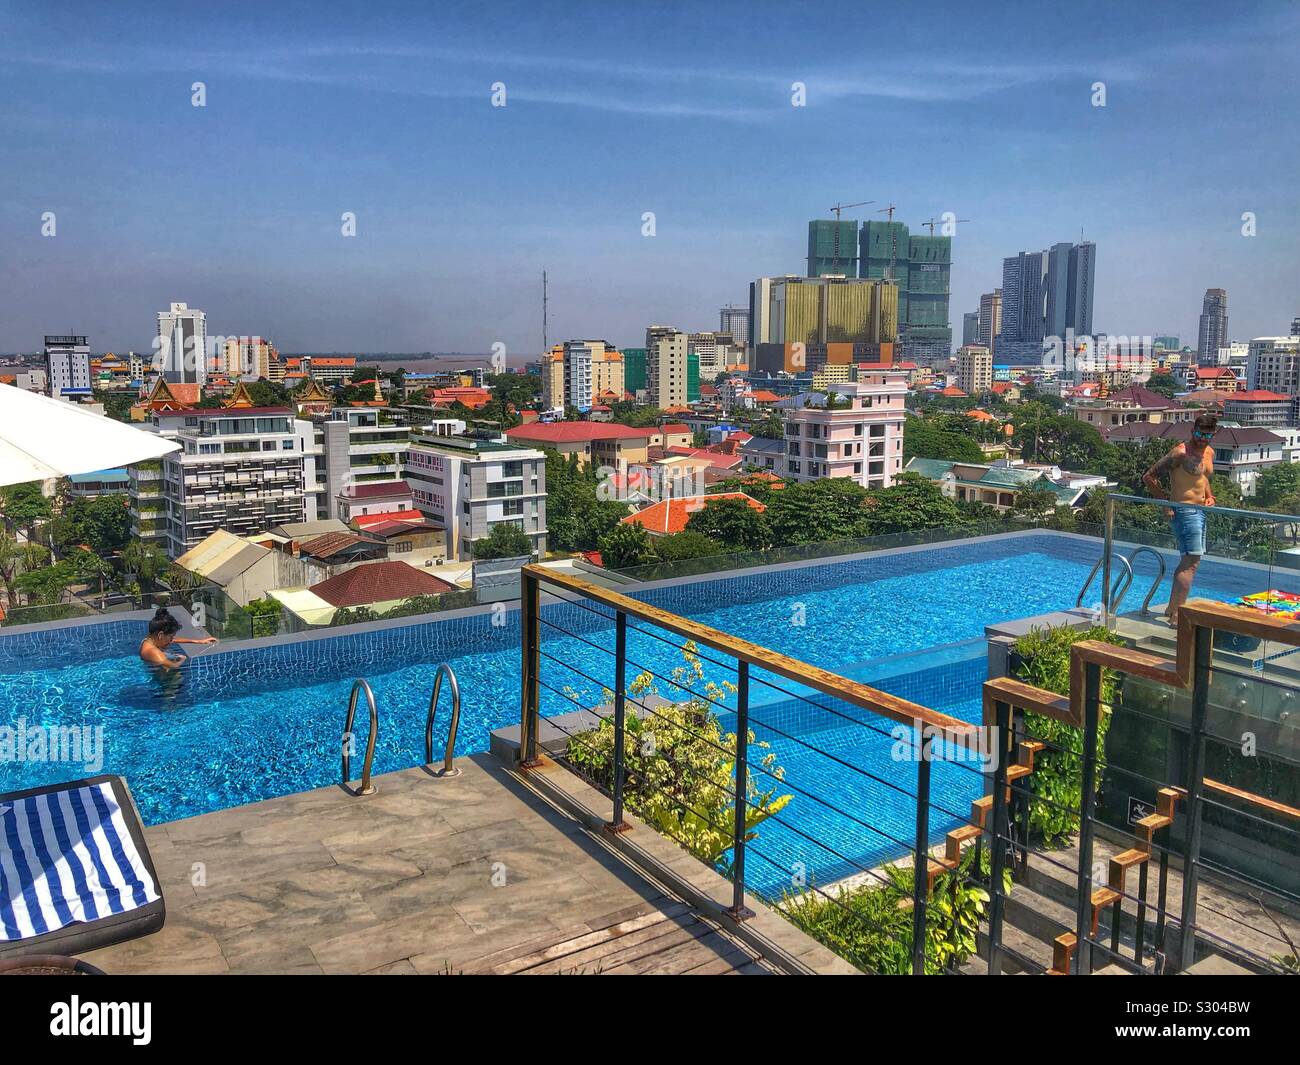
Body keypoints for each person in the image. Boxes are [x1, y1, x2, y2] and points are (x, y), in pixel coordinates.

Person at [1143, 413, 1219, 625]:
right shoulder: (1180, 453)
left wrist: (1209, 496)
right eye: (1198, 434)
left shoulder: (1209, 452)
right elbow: (1149, 477)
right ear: (1192, 431)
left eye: (1207, 436)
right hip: (1184, 511)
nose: (1202, 439)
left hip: (1201, 512)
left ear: (1213, 435)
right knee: (1191, 563)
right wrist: (1166, 504)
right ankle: (1178, 616)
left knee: (1188, 561)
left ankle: (1171, 609)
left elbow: (1202, 478)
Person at [139, 606, 217, 672]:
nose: (172, 640)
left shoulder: (149, 640)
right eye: (171, 636)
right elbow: (174, 666)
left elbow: (174, 640)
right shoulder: (155, 654)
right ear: (160, 635)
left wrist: (199, 641)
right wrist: (182, 659)